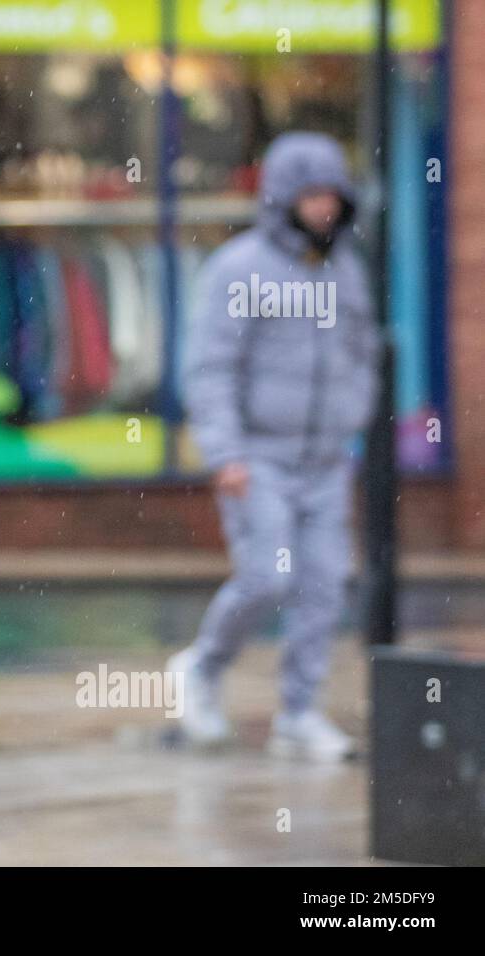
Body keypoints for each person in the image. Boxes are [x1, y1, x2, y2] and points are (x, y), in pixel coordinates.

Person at [169, 131, 382, 762]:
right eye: (311, 195)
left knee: (323, 587)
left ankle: (298, 712)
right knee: (265, 578)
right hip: (258, 457)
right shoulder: (238, 268)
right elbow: (210, 367)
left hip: (326, 460)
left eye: (333, 196)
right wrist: (223, 452)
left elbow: (363, 351)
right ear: (283, 198)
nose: (324, 208)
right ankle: (202, 670)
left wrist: (356, 414)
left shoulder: (347, 268)